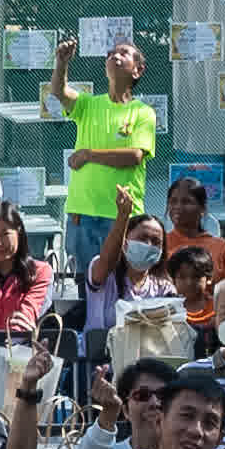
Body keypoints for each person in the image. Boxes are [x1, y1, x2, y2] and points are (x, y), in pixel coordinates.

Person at [60, 44, 162, 288]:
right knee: (86, 286)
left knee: (122, 284)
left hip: (122, 215)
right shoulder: (88, 105)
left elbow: (135, 155)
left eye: (123, 53)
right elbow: (59, 91)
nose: (114, 56)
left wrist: (88, 154)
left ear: (138, 70)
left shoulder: (143, 112)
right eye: (109, 54)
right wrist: (62, 63)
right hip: (82, 214)